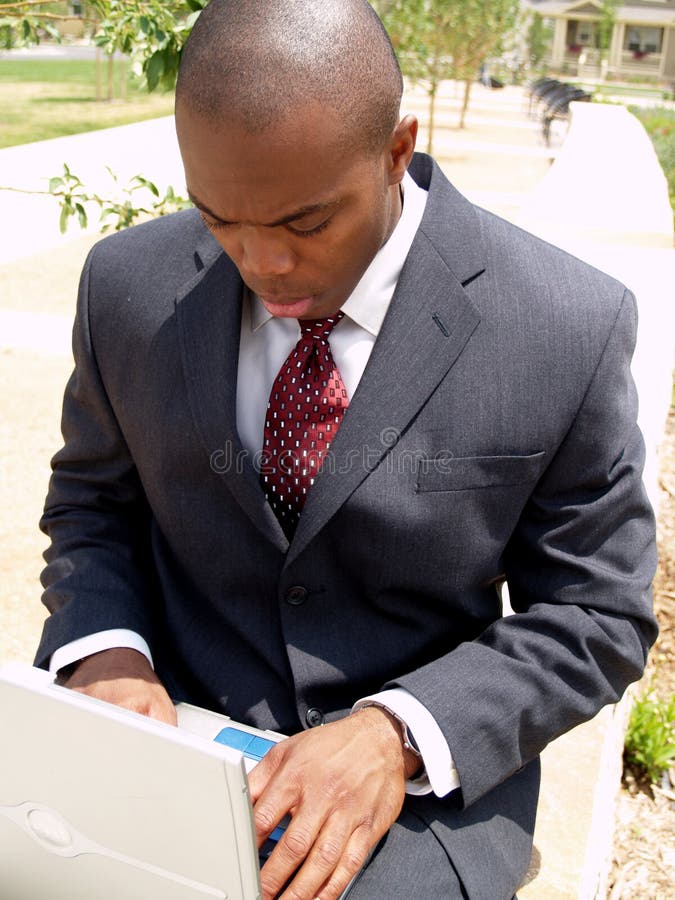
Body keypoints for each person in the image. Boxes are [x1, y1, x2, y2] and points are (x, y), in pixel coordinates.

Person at [35, 1, 658, 897]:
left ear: (396, 150)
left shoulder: (565, 327)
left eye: (303, 223)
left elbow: (599, 614)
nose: (261, 263)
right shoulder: (126, 285)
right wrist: (104, 653)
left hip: (409, 795)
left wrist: (394, 732)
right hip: (160, 736)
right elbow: (94, 507)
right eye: (218, 219)